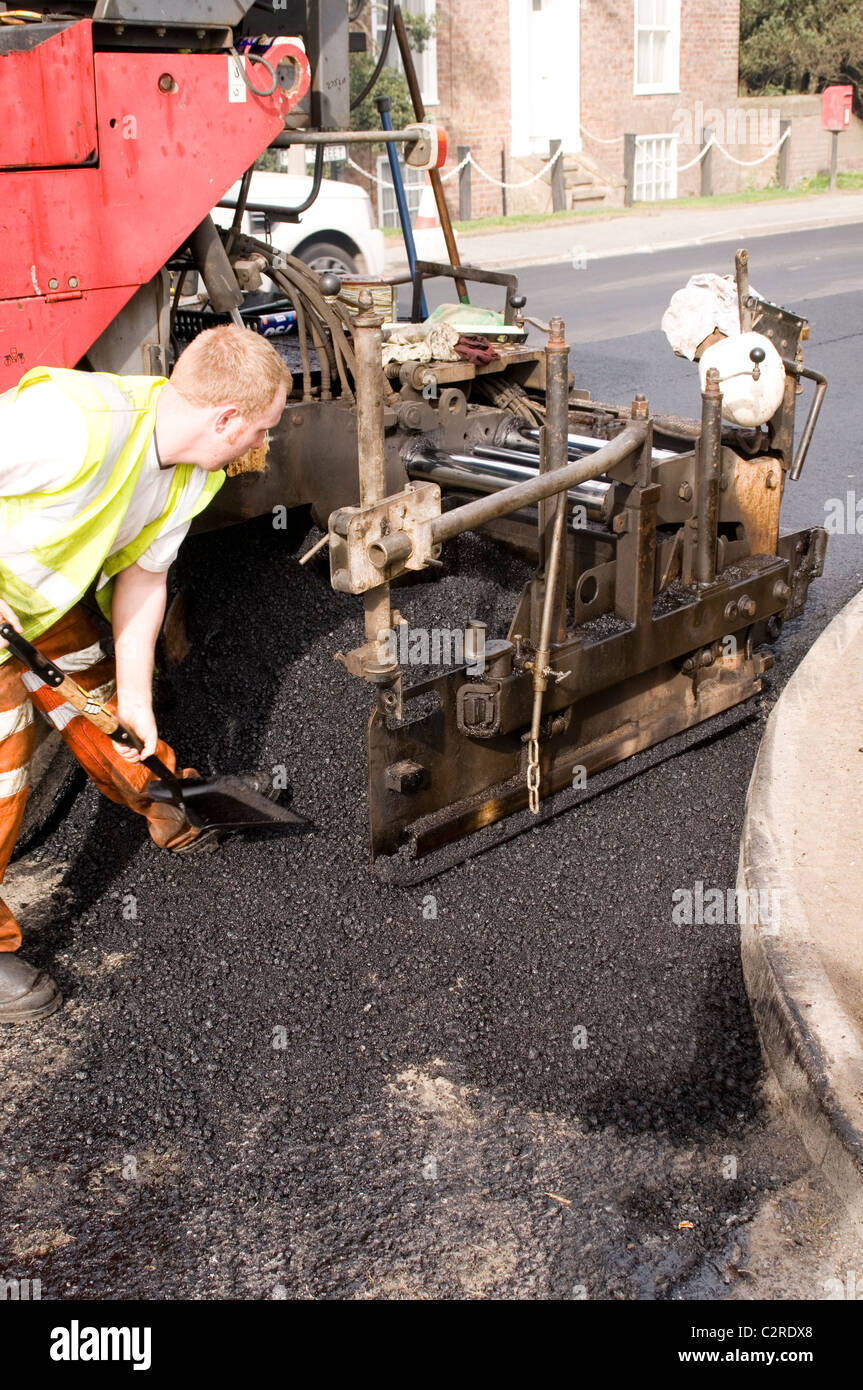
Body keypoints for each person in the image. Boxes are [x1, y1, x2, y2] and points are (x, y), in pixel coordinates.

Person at [0, 325, 290, 1024]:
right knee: (4, 768)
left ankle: (172, 804)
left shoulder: (190, 471)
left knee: (105, 710)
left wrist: (137, 701)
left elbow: (143, 578)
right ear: (224, 419)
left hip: (35, 603)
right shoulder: (66, 426)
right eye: (261, 428)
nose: (263, 444)